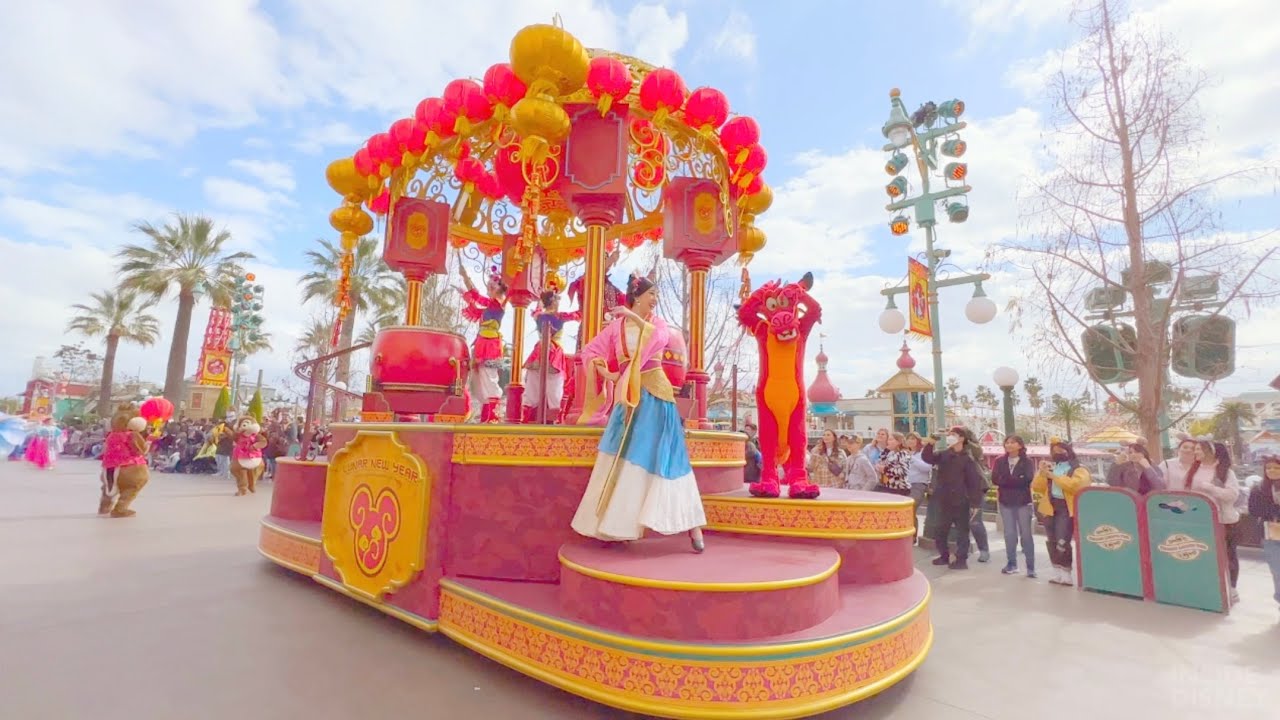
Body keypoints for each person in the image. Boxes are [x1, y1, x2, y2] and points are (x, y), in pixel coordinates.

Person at [570, 275, 706, 552]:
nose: (655, 299)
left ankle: (693, 525)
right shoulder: (616, 328)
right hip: (628, 397)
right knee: (620, 458)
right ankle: (615, 527)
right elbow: (591, 350)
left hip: (655, 397)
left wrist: (632, 316)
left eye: (656, 295)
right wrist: (604, 370)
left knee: (667, 456)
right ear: (637, 295)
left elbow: (658, 339)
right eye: (651, 294)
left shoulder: (657, 324)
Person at [921, 427, 986, 570]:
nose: (950, 437)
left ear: (962, 438)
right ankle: (944, 555)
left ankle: (961, 560)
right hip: (944, 499)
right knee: (940, 530)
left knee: (962, 532)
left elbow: (973, 482)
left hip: (961, 500)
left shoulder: (967, 458)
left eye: (954, 434)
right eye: (949, 434)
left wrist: (975, 503)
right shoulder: (944, 454)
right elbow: (927, 458)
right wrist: (931, 442)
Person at [1186, 440, 1242, 603]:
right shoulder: (1194, 470)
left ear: (1210, 451)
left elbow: (1232, 495)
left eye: (1199, 449)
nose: (1195, 452)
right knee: (1203, 553)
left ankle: (1231, 588)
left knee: (1228, 555)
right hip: (1200, 520)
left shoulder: (1225, 472)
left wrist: (1210, 488)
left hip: (1224, 520)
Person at [1032, 439, 1092, 586]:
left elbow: (1075, 486)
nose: (1057, 452)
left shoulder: (1079, 469)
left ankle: (1066, 573)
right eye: (1054, 450)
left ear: (1069, 450)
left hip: (1066, 508)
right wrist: (1041, 472)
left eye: (1061, 449)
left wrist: (1054, 477)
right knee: (1051, 540)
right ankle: (1056, 572)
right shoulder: (1052, 467)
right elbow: (1037, 487)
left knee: (1062, 540)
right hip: (1050, 507)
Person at [459, 264, 509, 423]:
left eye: (492, 286)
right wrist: (466, 289)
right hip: (482, 345)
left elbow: (477, 296)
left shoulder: (497, 304)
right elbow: (475, 307)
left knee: (489, 379)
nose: (489, 288)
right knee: (480, 381)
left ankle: (493, 416)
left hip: (491, 347)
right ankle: (486, 415)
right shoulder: (489, 308)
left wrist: (466, 278)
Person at [523, 289, 580, 423]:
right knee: (555, 388)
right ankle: (555, 419)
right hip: (554, 353)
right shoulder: (560, 316)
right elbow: (578, 315)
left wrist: (540, 299)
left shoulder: (538, 316)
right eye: (557, 300)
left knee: (532, 386)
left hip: (539, 352)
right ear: (554, 302)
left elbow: (536, 310)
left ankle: (528, 418)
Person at [992, 435, 1036, 577]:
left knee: (1026, 534)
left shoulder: (1027, 461)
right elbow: (995, 479)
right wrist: (1015, 480)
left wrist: (1007, 480)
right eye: (1007, 442)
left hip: (1023, 502)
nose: (1009, 445)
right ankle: (1011, 563)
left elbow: (1027, 479)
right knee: (1009, 534)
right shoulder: (999, 461)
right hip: (1005, 502)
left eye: (1013, 442)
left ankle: (1030, 567)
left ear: (1020, 445)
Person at [1247, 455, 1280, 614]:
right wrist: (1273, 509)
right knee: (1277, 569)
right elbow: (1254, 510)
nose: (1272, 470)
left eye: (1276, 467)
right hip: (1270, 533)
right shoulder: (1258, 488)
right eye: (1269, 468)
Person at [904, 433, 933, 543]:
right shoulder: (904, 452)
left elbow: (927, 468)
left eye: (913, 439)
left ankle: (912, 536)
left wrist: (912, 458)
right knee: (905, 510)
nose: (910, 441)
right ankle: (907, 534)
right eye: (908, 439)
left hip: (918, 484)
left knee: (911, 507)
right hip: (905, 484)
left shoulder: (922, 453)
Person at [876, 432, 912, 496]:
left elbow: (904, 471)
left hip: (899, 488)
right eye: (888, 440)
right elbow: (881, 460)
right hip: (887, 486)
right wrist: (886, 450)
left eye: (890, 440)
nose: (888, 442)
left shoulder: (903, 453)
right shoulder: (891, 453)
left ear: (898, 442)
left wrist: (886, 469)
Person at [743, 421, 762, 485]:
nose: (746, 431)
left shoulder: (757, 441)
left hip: (754, 470)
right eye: (745, 429)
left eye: (748, 429)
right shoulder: (745, 441)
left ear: (754, 431)